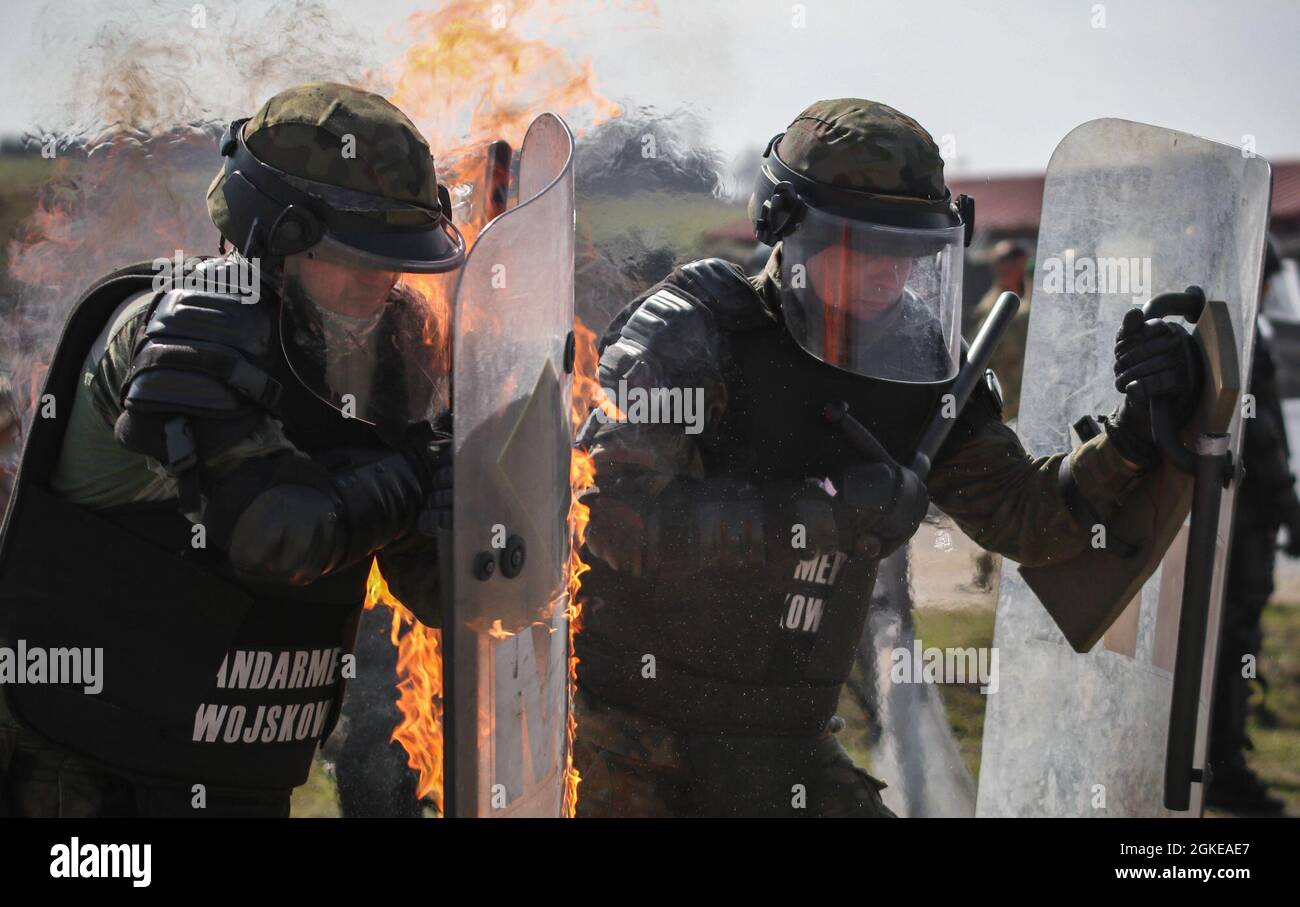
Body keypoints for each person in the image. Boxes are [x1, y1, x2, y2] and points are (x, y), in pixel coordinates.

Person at [570, 99, 1203, 817]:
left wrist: (1136, 432)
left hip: (783, 742)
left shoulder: (918, 359)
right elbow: (607, 521)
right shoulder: (695, 331)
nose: (887, 272)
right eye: (863, 244)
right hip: (625, 737)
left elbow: (1031, 517)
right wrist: (821, 513)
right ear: (789, 229)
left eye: (908, 249)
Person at [0, 82, 457, 817]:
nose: (384, 278)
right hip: (81, 792)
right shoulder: (182, 330)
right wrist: (417, 474)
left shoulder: (372, 356)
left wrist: (471, 508)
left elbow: (439, 592)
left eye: (395, 255)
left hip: (240, 783)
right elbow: (276, 532)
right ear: (276, 235)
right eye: (357, 252)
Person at [1206, 240, 1300, 814]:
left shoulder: (1234, 333)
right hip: (1246, 525)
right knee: (1232, 641)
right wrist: (1289, 508)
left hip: (1243, 521)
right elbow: (1262, 438)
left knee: (1231, 642)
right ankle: (1223, 767)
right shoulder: (1238, 336)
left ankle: (1220, 759)